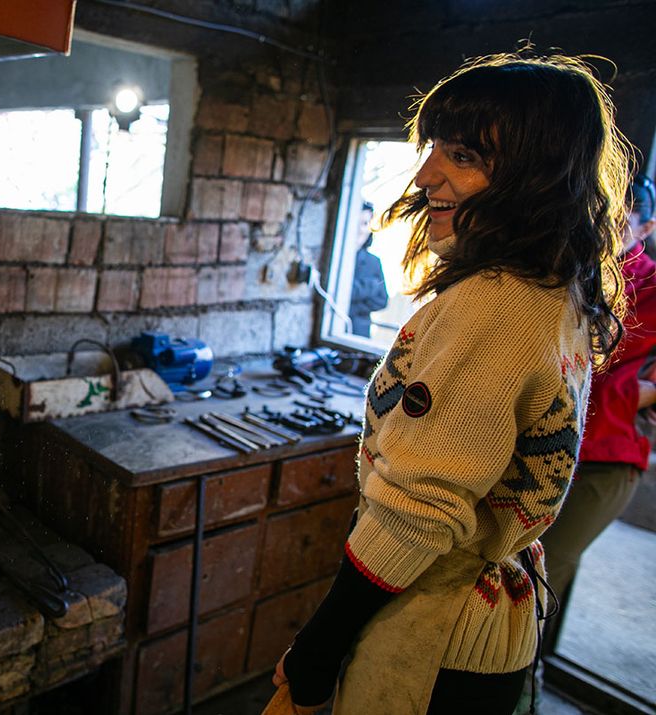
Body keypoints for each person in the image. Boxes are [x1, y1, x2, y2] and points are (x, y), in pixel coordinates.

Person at [269, 50, 631, 715]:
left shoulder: (497, 304)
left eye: (462, 156)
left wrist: (316, 653)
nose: (427, 173)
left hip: (434, 635)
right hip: (490, 622)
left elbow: (415, 510)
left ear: (534, 179)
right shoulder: (554, 290)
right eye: (433, 146)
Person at [538, 175, 656, 644]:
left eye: (621, 222)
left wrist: (636, 396)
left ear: (646, 228)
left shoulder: (650, 285)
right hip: (546, 447)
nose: (606, 230)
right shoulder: (566, 270)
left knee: (542, 579)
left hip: (605, 458)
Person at [348, 201, 389, 338]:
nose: (360, 229)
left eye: (365, 224)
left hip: (359, 333)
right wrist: (369, 287)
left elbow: (382, 300)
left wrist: (351, 305)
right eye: (357, 223)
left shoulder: (374, 262)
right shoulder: (337, 259)